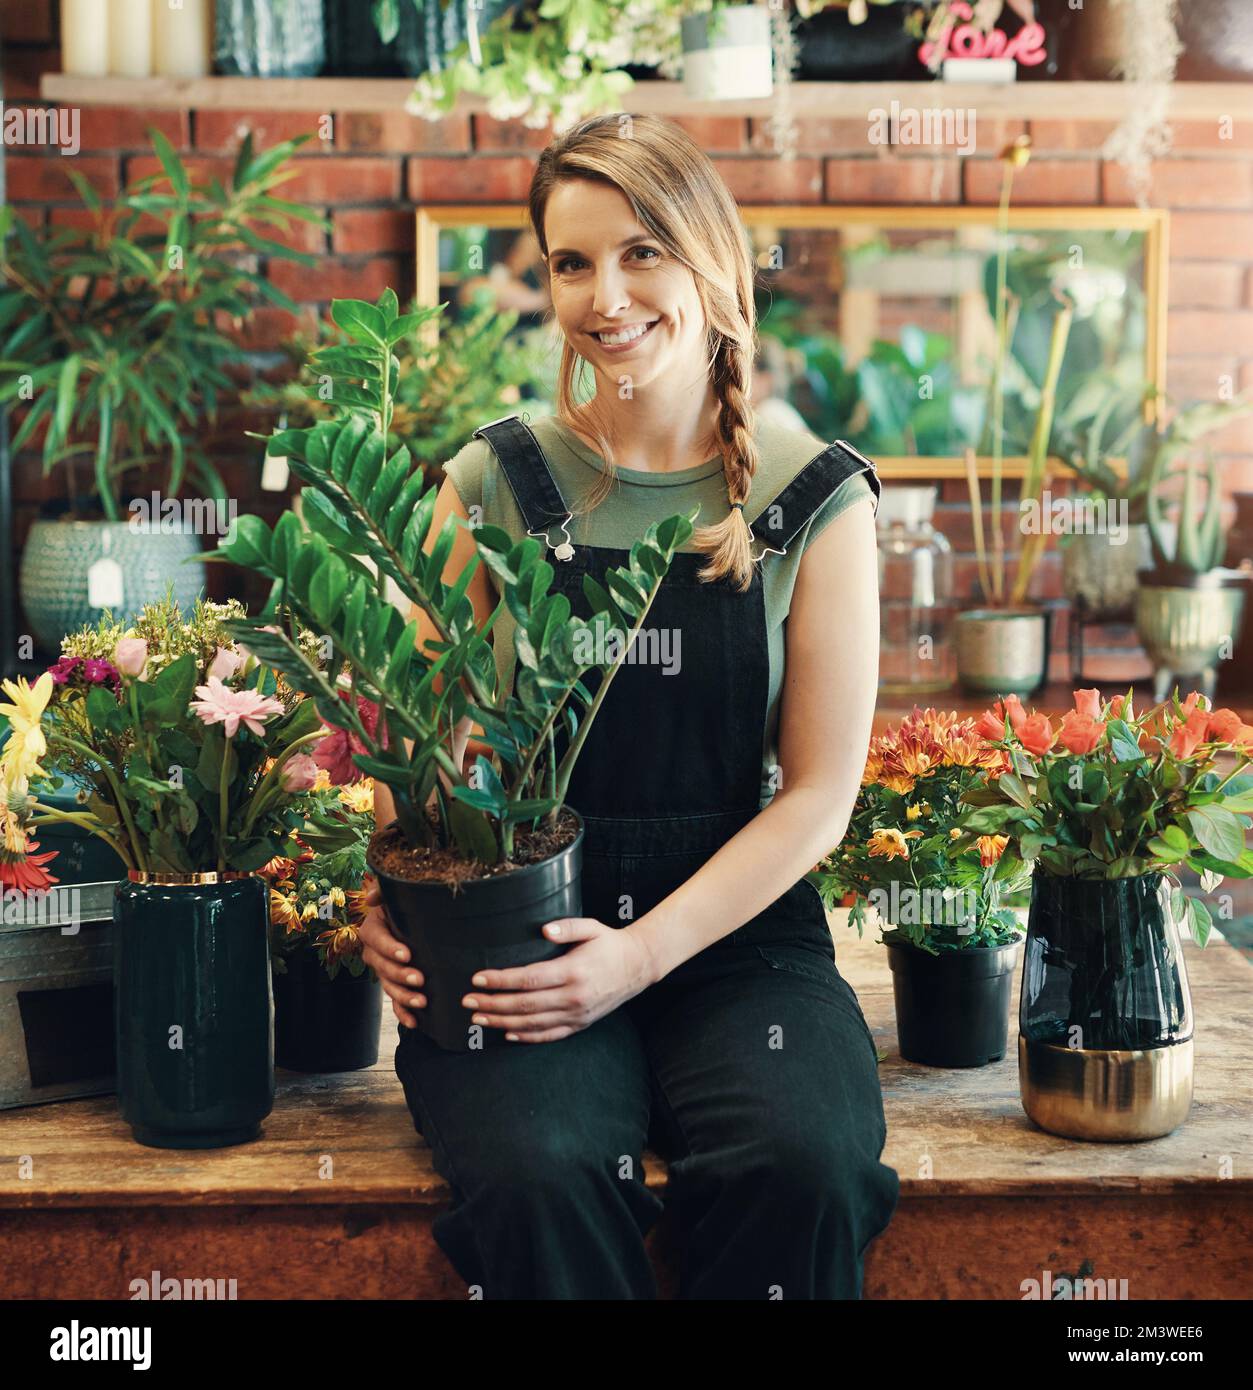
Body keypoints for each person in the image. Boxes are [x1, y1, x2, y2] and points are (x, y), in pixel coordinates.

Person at [358, 112, 899, 1300]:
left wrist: (641, 956)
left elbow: (816, 797)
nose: (605, 295)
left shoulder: (815, 500)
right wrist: (386, 900)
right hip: (519, 938)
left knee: (800, 1162)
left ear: (707, 256)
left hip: (736, 939)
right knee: (539, 1168)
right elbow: (424, 751)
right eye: (570, 261)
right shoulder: (494, 479)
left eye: (641, 251)